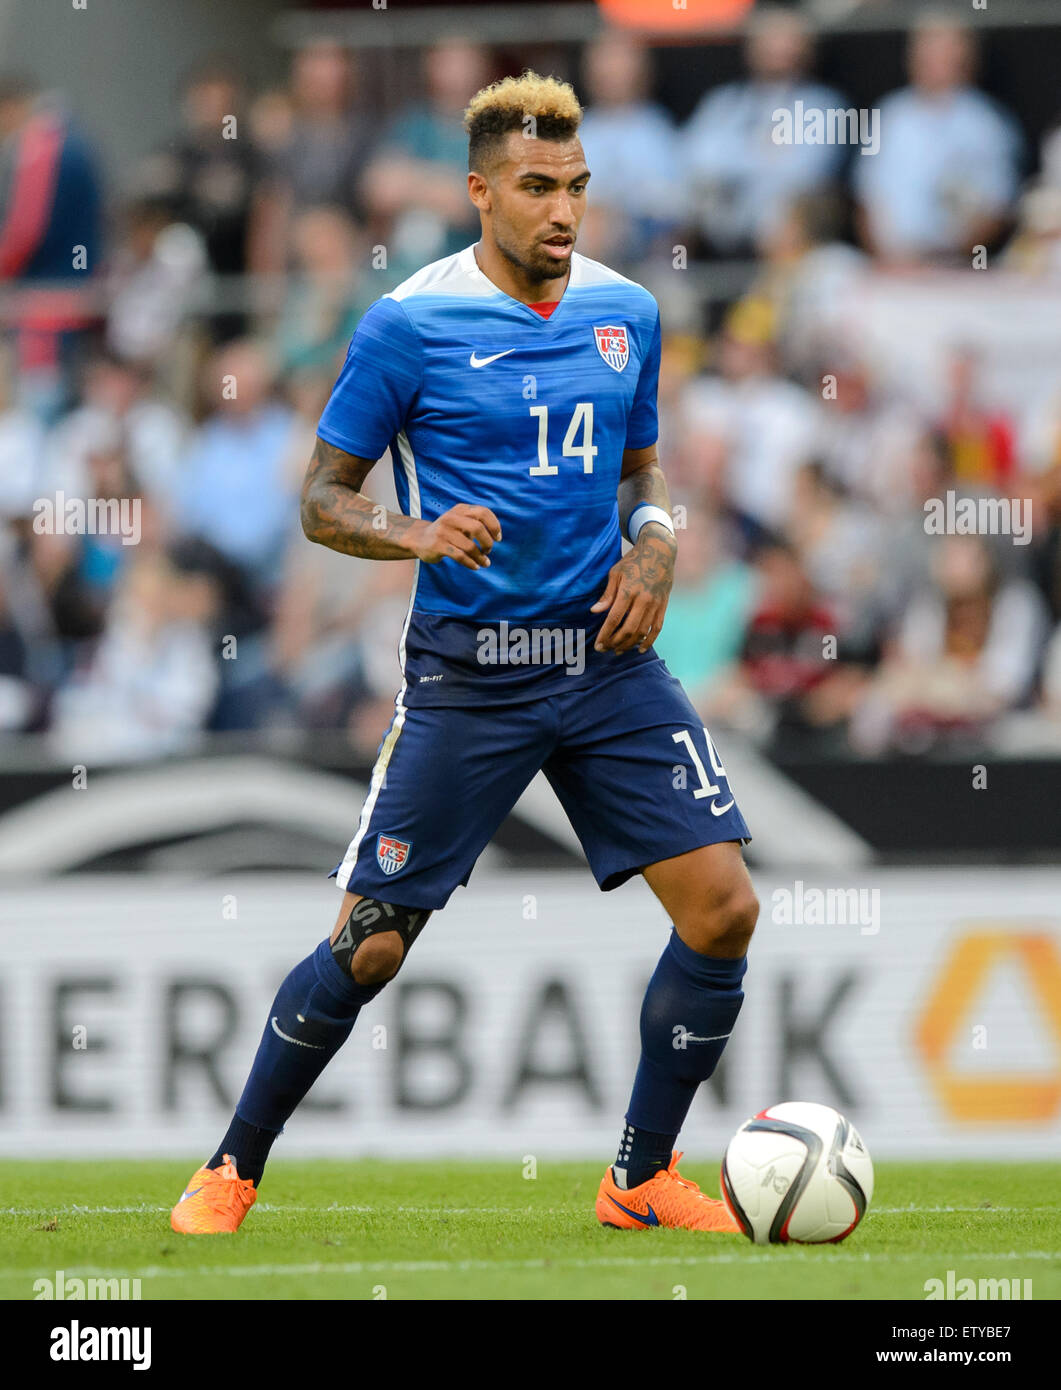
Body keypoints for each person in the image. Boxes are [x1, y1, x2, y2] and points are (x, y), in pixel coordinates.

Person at [171, 71, 758, 1237]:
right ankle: (229, 1168)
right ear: (478, 190)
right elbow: (322, 501)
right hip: (470, 671)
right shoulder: (408, 324)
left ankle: (637, 1178)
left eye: (577, 187)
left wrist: (653, 544)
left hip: (602, 660)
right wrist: (414, 531)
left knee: (723, 909)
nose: (563, 211)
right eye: (537, 187)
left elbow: (642, 474)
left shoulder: (628, 312)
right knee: (373, 943)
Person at [853, 17, 1023, 265]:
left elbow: (997, 209)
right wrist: (885, 259)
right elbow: (864, 199)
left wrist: (943, 259)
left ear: (967, 59)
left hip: (955, 268)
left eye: (947, 53)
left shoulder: (988, 124)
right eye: (928, 52)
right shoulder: (890, 114)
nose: (936, 62)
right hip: (890, 266)